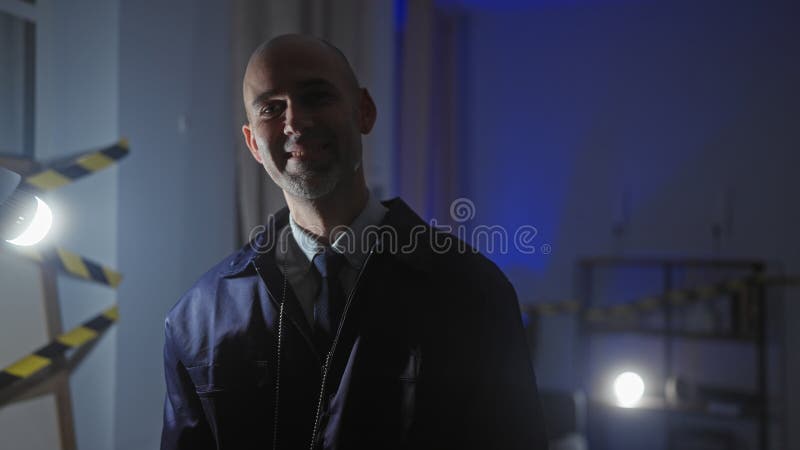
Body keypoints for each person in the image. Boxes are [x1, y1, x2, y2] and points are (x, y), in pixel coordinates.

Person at [161, 34, 548, 450]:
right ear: (253, 142)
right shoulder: (199, 319)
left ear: (364, 111)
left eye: (316, 96)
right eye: (271, 108)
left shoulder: (472, 293)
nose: (295, 122)